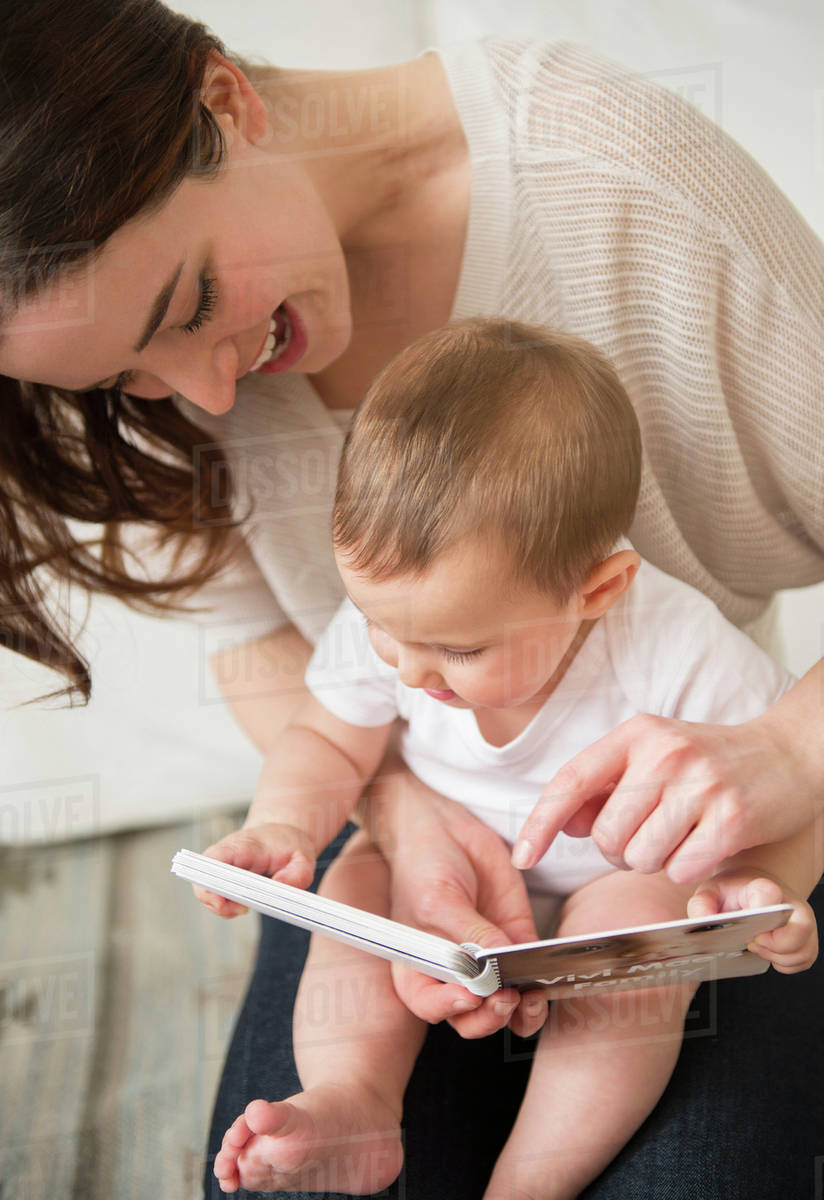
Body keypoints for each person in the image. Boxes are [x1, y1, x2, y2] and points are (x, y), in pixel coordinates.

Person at [0, 2, 822, 1195]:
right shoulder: (370, 643)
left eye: (184, 308)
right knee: (343, 937)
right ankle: (353, 1099)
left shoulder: (614, 178)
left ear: (225, 103)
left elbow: (749, 845)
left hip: (646, 853)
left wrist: (786, 777)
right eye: (131, 378)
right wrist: (374, 816)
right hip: (419, 825)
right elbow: (287, 681)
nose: (204, 399)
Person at [195, 319, 818, 1198]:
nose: (408, 668)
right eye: (382, 628)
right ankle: (357, 1099)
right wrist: (282, 827)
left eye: (458, 649)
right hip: (436, 865)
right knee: (355, 888)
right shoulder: (406, 627)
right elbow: (326, 738)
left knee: (636, 963)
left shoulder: (672, 646)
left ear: (596, 591)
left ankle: (532, 1179)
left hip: (607, 878)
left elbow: (782, 792)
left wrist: (768, 888)